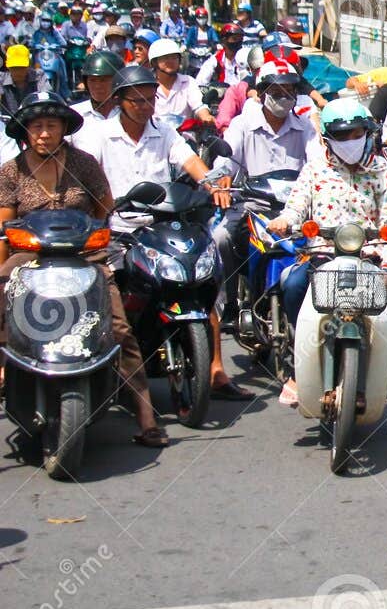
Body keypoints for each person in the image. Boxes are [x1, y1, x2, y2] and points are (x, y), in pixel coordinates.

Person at [0, 92, 168, 446]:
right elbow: (5, 229)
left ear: (63, 129)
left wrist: (93, 238)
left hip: (85, 259)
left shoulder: (85, 163)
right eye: (37, 127)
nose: (44, 133)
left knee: (120, 328)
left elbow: (104, 209)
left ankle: (146, 417)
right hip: (28, 261)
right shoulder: (10, 171)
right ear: (26, 132)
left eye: (51, 126)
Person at [86, 65, 248, 402]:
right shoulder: (99, 134)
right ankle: (102, 370)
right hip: (120, 231)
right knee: (106, 295)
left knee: (203, 285)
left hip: (162, 228)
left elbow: (191, 162)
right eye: (136, 101)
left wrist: (212, 183)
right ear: (119, 101)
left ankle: (216, 370)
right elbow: (88, 178)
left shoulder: (165, 132)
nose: (145, 106)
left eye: (149, 99)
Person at [267, 98, 387, 416]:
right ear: (327, 138)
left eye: (356, 133)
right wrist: (286, 220)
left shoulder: (380, 169)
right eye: (342, 135)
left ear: (368, 134)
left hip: (373, 260)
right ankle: (302, 363)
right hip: (323, 258)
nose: (350, 141)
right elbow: (297, 205)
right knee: (294, 284)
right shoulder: (315, 170)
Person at [215, 61, 318, 321]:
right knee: (220, 238)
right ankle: (229, 303)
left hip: (296, 208)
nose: (284, 97)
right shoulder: (242, 124)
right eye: (277, 91)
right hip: (252, 207)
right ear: (261, 93)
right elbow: (226, 158)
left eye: (290, 91)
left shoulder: (305, 125)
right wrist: (223, 178)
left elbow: (317, 159)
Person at [148, 38, 214, 126]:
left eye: (174, 57)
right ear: (154, 62)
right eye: (165, 58)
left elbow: (198, 106)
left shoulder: (188, 81)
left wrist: (205, 116)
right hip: (155, 135)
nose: (171, 61)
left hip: (185, 136)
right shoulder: (147, 86)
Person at [70, 51, 124, 147]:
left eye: (103, 80)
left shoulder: (130, 113)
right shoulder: (73, 114)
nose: (97, 86)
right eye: (92, 80)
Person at [195, 23, 247, 90]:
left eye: (240, 40)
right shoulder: (215, 60)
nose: (238, 42)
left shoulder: (246, 58)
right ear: (224, 40)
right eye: (234, 39)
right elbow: (200, 82)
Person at [2, 46, 40, 115]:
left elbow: (46, 97)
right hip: (8, 124)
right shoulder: (1, 79)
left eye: (22, 67)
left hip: (33, 121)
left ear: (29, 65)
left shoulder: (39, 76)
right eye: (14, 68)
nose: (18, 72)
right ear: (8, 67)